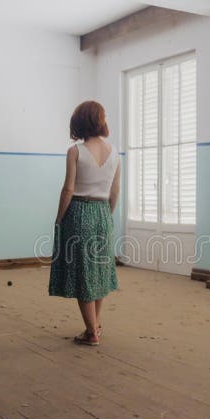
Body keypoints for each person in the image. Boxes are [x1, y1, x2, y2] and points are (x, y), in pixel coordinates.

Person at [48, 101, 120, 346]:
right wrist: (106, 216)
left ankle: (92, 333)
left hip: (79, 211)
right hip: (102, 213)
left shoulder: (75, 151)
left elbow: (68, 188)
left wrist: (59, 219)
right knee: (98, 272)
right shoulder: (115, 151)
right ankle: (94, 326)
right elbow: (115, 191)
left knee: (82, 275)